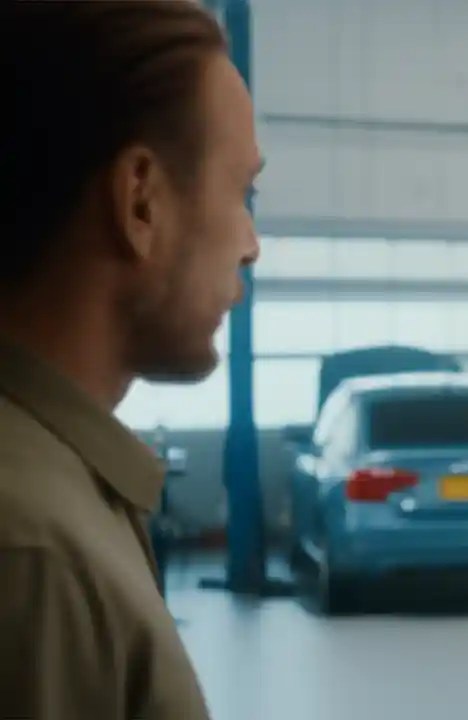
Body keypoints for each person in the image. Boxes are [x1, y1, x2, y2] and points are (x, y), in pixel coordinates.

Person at [0, 2, 261, 718]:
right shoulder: (31, 554)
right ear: (140, 200)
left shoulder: (66, 494)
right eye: (243, 192)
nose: (251, 243)